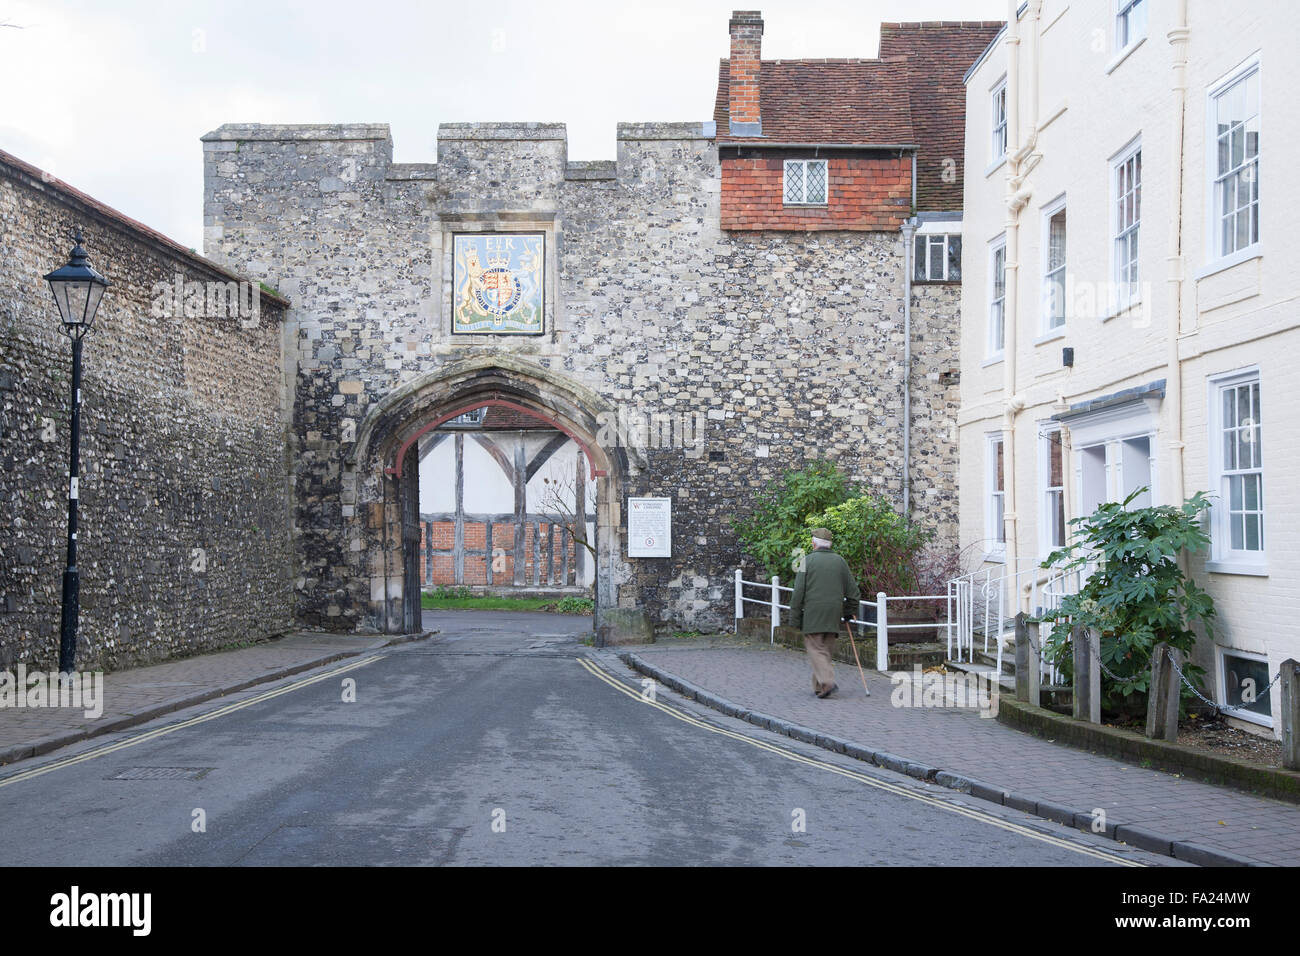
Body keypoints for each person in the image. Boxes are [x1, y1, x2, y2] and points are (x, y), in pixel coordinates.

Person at [787, 527, 860, 698]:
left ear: (814, 543)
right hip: (834, 612)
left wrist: (795, 618)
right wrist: (849, 612)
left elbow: (798, 593)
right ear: (829, 544)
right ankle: (819, 687)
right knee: (824, 650)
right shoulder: (840, 561)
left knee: (815, 648)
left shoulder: (805, 560)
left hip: (813, 613)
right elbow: (854, 593)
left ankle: (827, 682)